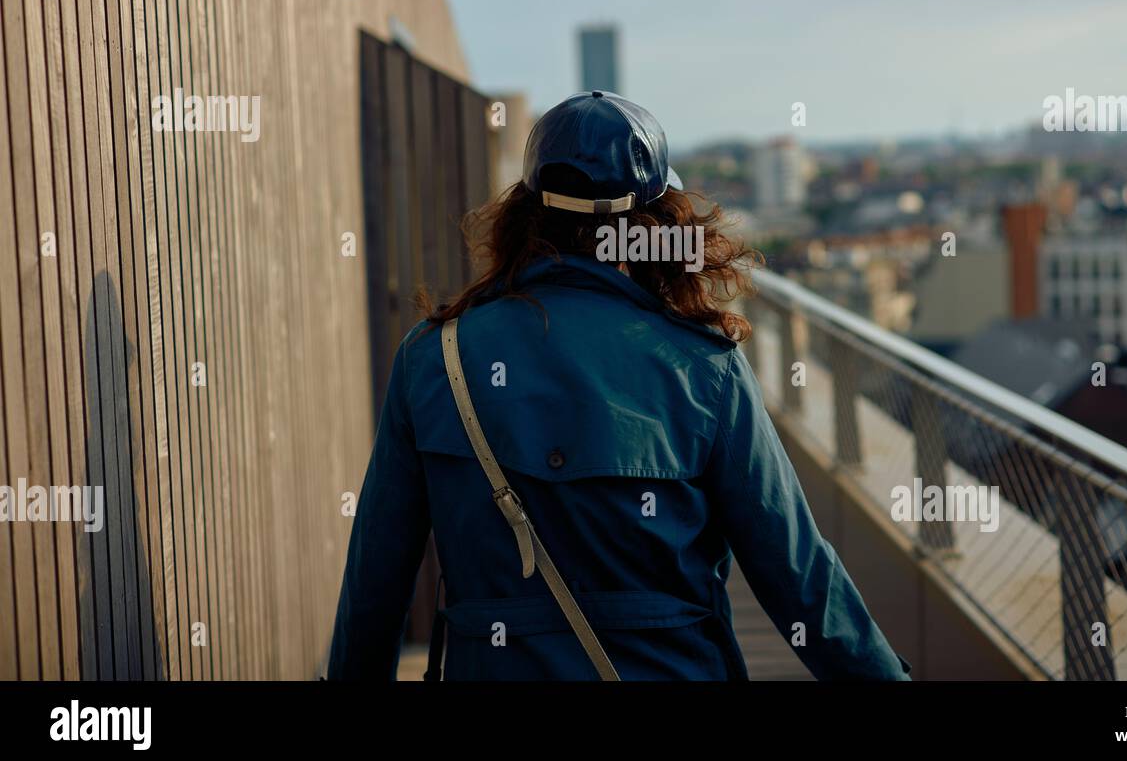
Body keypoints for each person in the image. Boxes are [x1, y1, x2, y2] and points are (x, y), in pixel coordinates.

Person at [327, 91, 911, 681]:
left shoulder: (435, 358)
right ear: (656, 225)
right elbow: (798, 579)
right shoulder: (700, 366)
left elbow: (378, 577)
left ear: (525, 215)